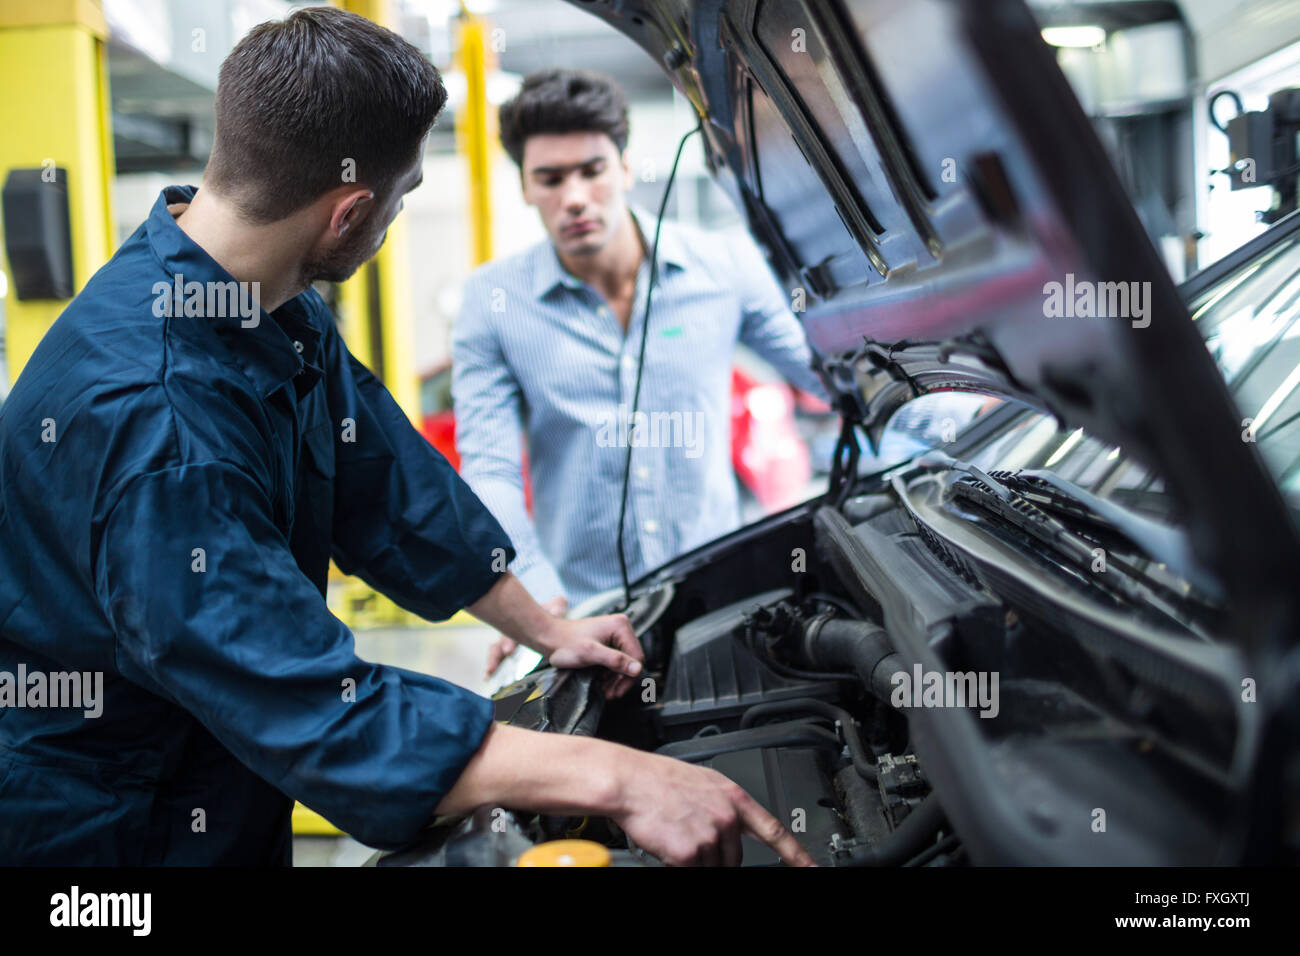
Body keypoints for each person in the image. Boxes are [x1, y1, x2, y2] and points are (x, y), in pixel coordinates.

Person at [0, 7, 812, 868]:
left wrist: (545, 627)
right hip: (105, 833)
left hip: (208, 772)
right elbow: (306, 699)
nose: (394, 216)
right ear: (350, 214)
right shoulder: (158, 426)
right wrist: (619, 779)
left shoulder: (259, 303)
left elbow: (383, 479)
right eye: (403, 196)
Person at [451, 69, 826, 677]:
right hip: (583, 608)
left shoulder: (721, 266)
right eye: (550, 178)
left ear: (624, 169)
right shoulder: (493, 301)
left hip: (718, 597)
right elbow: (489, 468)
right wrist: (539, 599)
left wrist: (950, 396)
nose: (574, 196)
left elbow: (826, 373)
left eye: (592, 170)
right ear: (524, 187)